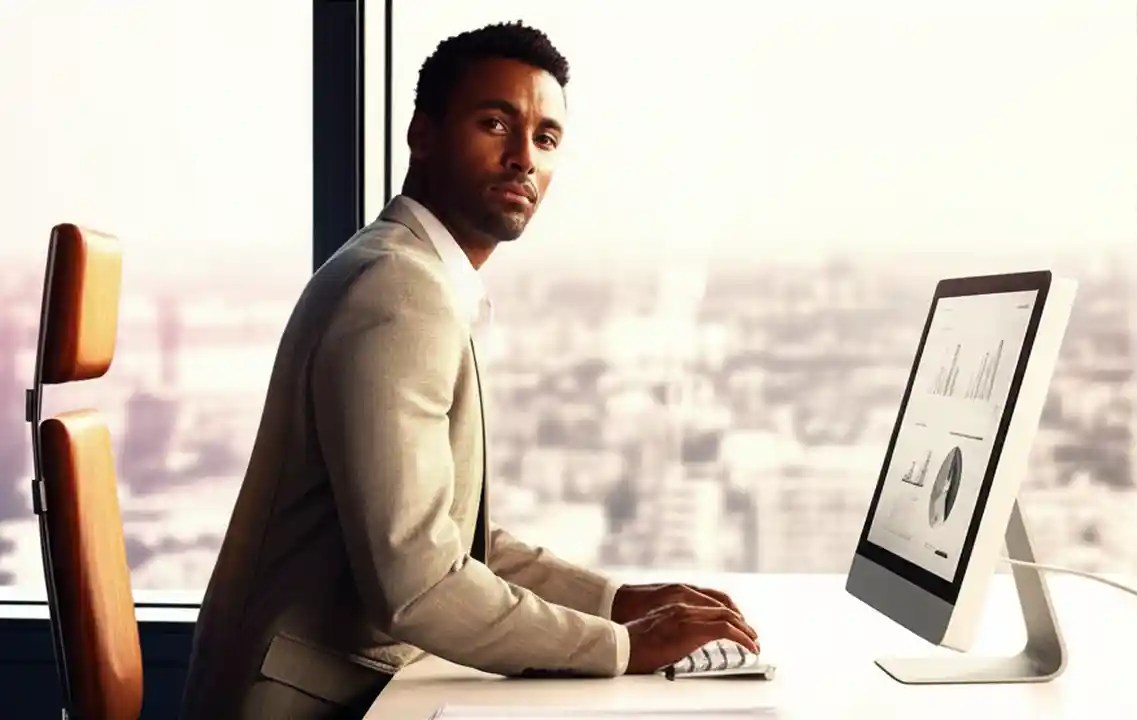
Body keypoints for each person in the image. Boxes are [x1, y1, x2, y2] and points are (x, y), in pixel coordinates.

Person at [180, 21, 758, 719]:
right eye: (495, 124)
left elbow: (460, 545)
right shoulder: (397, 292)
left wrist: (618, 602)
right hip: (305, 704)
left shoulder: (414, 275)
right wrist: (623, 647)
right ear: (422, 134)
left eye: (545, 140)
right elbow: (420, 584)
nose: (523, 158)